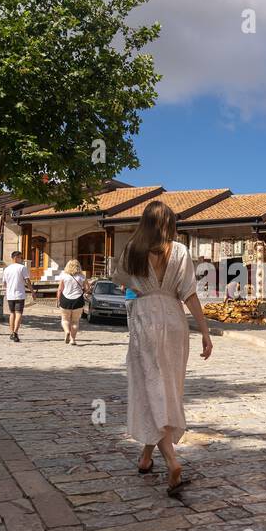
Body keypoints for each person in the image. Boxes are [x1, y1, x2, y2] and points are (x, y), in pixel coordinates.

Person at [113, 201, 214, 495]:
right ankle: (146, 457)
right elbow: (190, 294)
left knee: (149, 390)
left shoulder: (133, 249)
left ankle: (171, 460)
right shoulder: (180, 251)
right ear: (170, 223)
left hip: (145, 318)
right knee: (165, 389)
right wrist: (205, 332)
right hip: (173, 319)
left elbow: (121, 281)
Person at [57, 259, 88, 344]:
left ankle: (67, 331)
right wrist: (83, 291)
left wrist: (58, 300)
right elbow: (87, 288)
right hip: (78, 300)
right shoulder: (82, 276)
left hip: (65, 299)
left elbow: (60, 289)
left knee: (65, 319)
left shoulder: (63, 275)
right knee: (75, 321)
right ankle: (73, 340)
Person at [3, 250, 31, 342]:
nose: (22, 259)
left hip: (10, 295)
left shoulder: (7, 269)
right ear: (16, 258)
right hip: (19, 294)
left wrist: (7, 291)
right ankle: (15, 332)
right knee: (18, 313)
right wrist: (32, 291)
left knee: (12, 313)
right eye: (21, 257)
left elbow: (4, 283)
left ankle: (11, 333)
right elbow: (27, 281)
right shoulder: (22, 268)